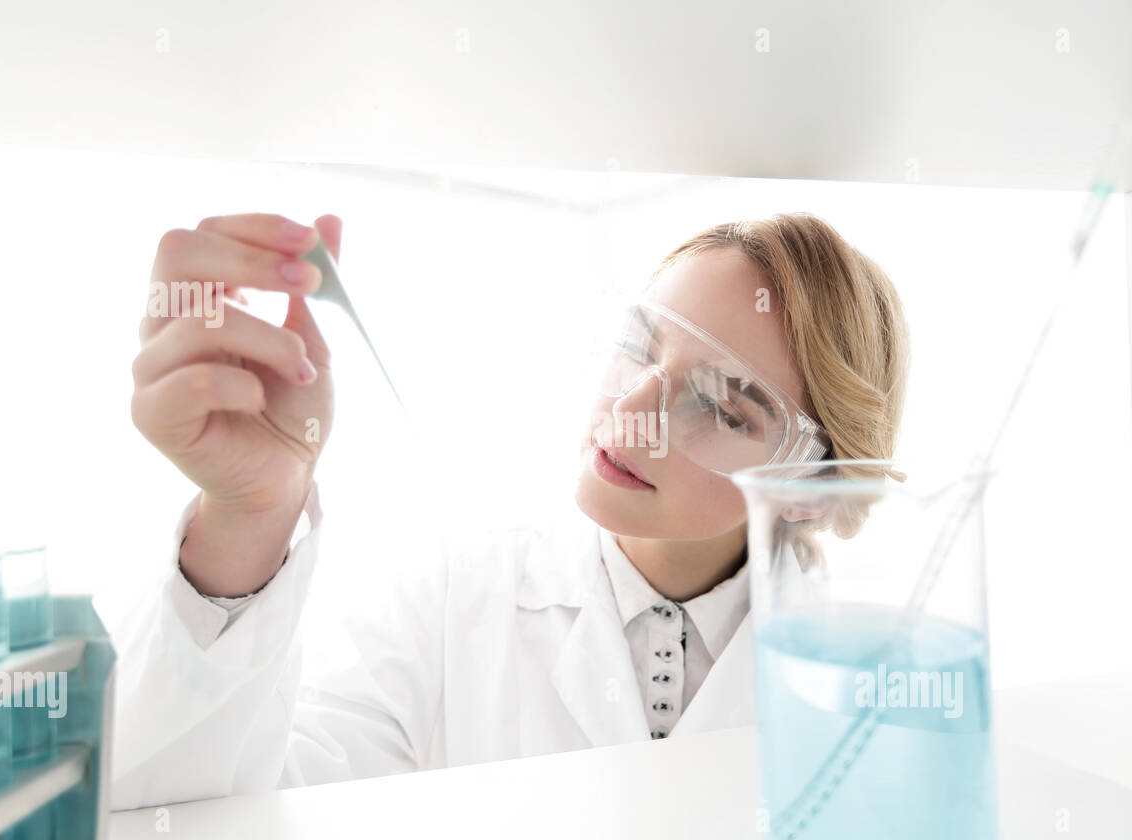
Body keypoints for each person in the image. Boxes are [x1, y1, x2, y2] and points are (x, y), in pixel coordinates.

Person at [112, 210, 909, 809]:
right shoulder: (451, 597)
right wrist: (249, 514)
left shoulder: (877, 686)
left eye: (724, 406)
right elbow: (213, 827)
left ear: (814, 487)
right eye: (640, 345)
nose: (632, 408)